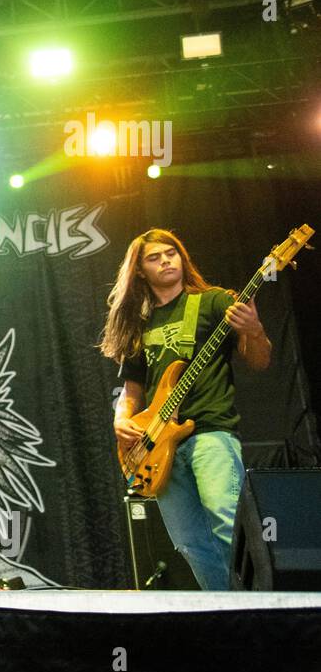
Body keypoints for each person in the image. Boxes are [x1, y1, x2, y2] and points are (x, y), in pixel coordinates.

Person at [101, 227, 270, 591]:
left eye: (171, 253)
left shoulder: (213, 302)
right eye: (154, 257)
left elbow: (260, 361)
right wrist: (121, 419)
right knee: (190, 543)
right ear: (141, 271)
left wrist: (254, 331)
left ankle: (262, 610)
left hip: (210, 431)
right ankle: (224, 616)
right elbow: (132, 391)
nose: (165, 260)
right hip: (159, 445)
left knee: (227, 524)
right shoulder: (139, 325)